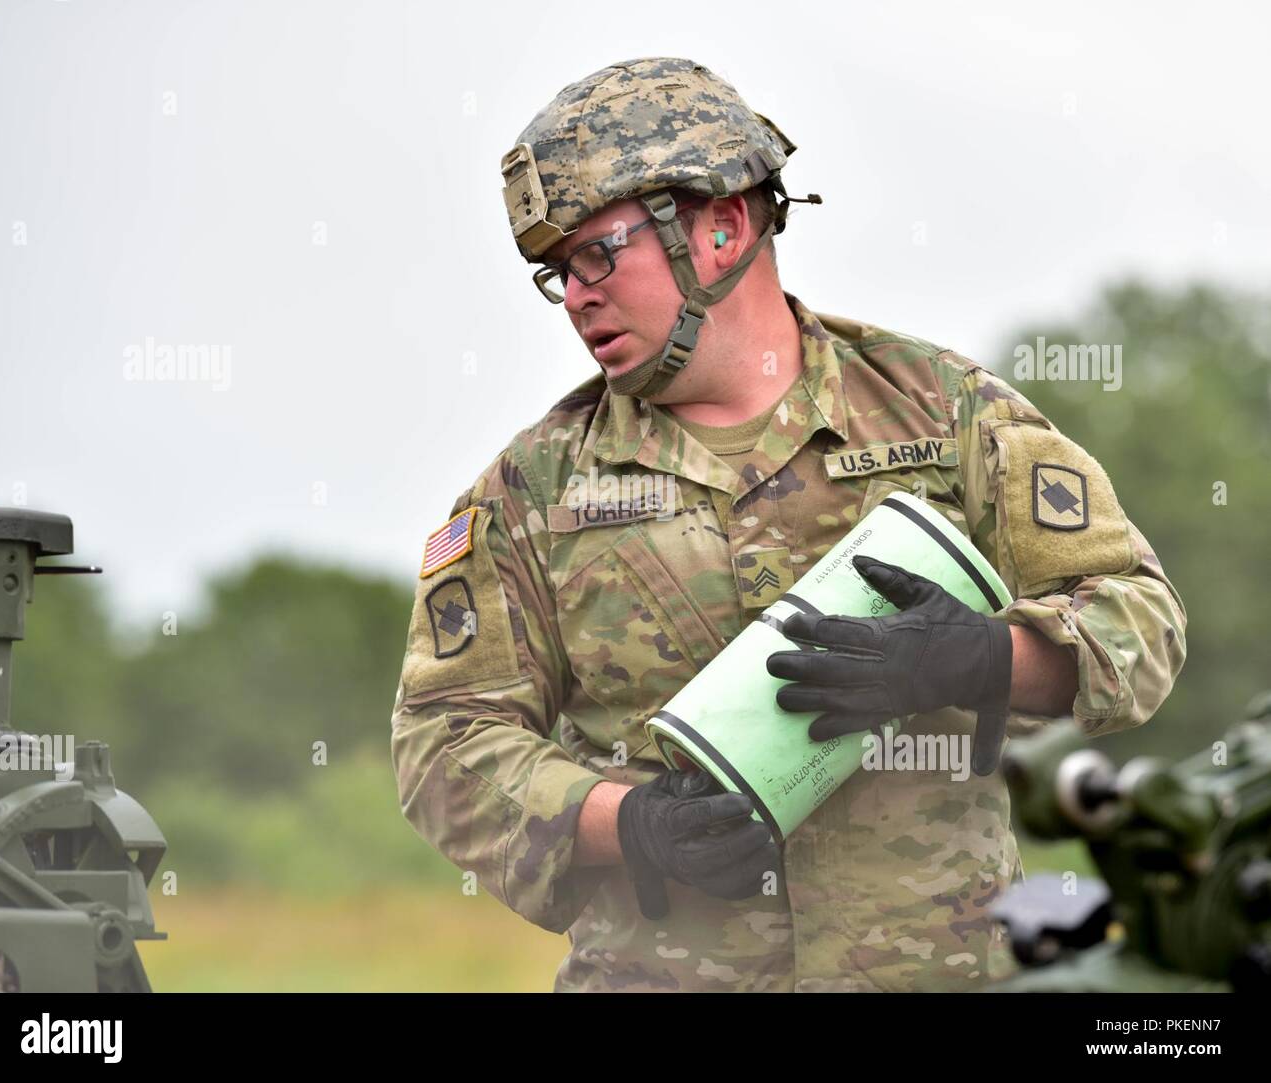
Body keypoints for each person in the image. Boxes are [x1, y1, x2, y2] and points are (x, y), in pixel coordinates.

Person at [389, 56, 1187, 992]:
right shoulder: (529, 492)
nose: (574, 294)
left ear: (722, 228)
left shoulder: (944, 412)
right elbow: (444, 741)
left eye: (597, 255)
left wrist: (978, 658)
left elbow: (1141, 618)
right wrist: (628, 822)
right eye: (555, 273)